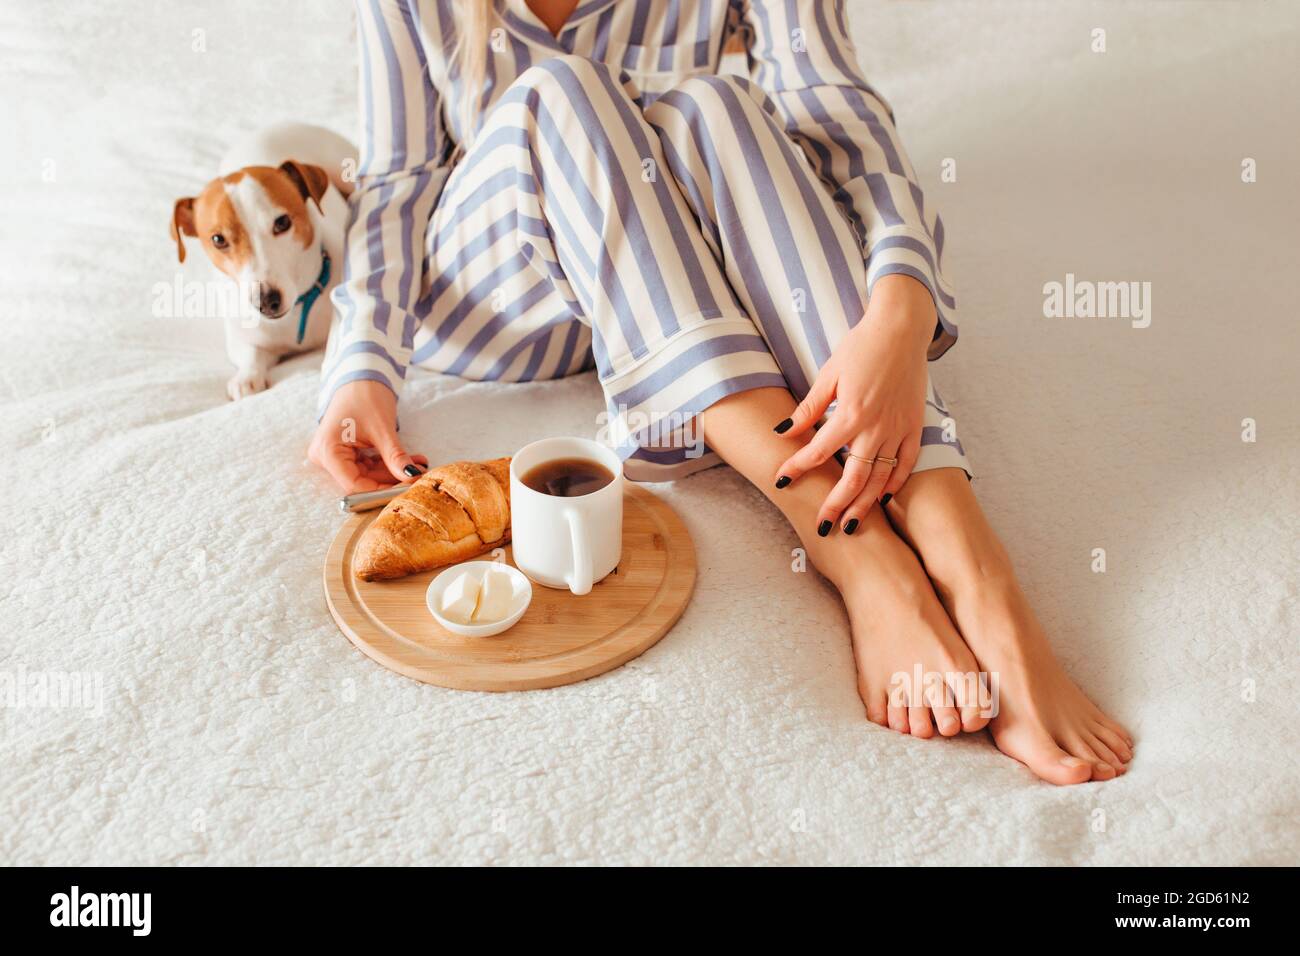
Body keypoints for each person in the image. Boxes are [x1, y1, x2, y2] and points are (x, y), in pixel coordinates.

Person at [309, 0, 1133, 784]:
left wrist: (902, 308)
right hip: (503, 293)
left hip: (670, 279)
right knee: (561, 87)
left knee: (718, 104)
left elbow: (832, 113)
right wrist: (364, 365)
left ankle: (974, 568)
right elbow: (399, 182)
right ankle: (858, 553)